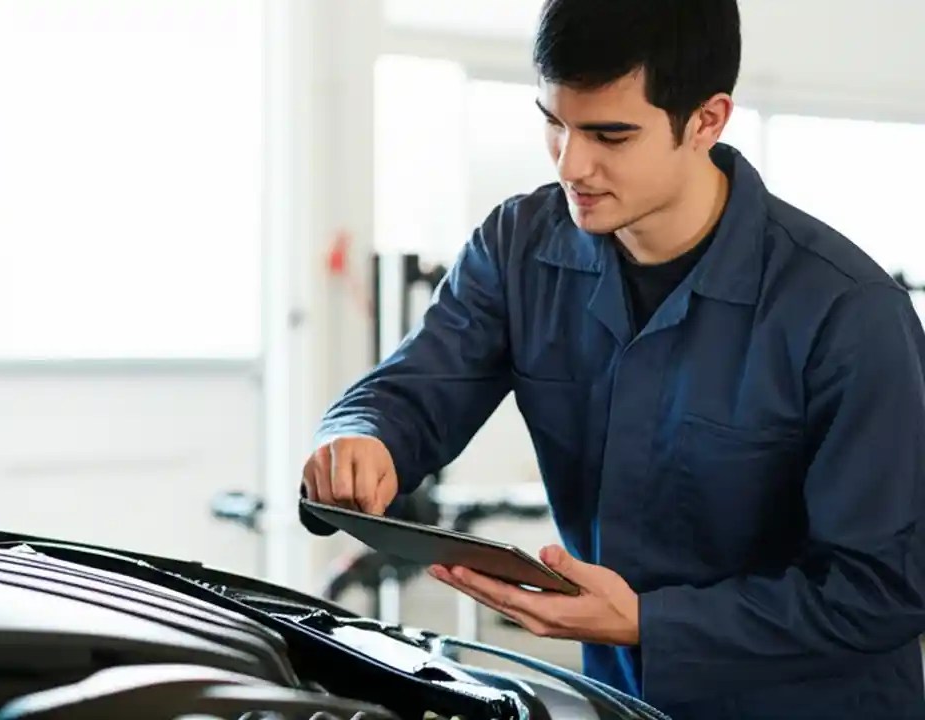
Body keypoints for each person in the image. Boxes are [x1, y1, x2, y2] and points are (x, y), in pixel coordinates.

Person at [299, 0, 925, 717]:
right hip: (617, 700)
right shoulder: (517, 248)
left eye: (610, 134)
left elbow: (889, 589)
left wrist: (650, 623)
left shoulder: (848, 313)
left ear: (708, 120)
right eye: (553, 123)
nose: (572, 164)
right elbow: (412, 388)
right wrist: (358, 436)